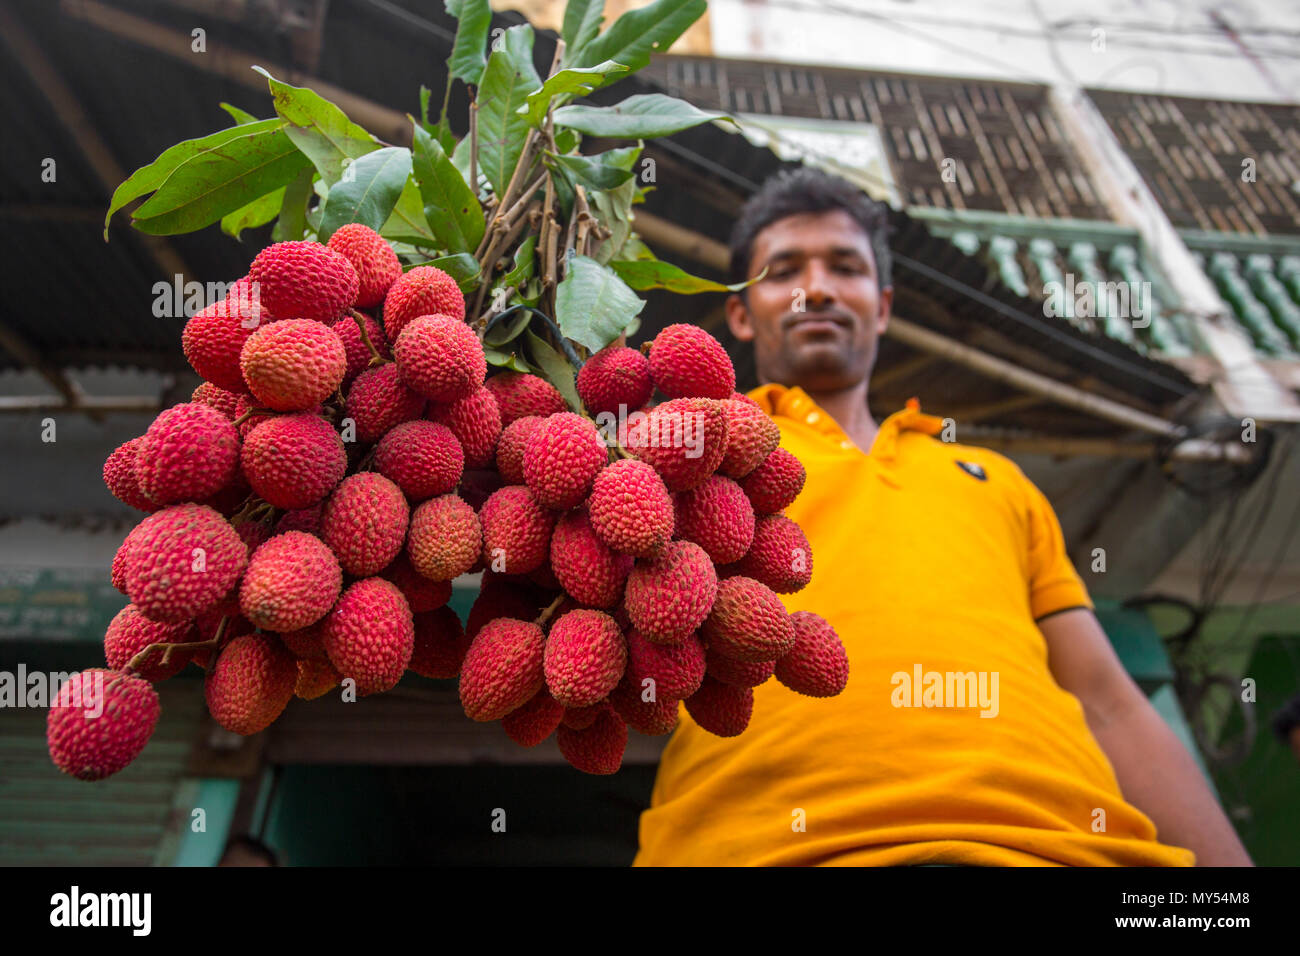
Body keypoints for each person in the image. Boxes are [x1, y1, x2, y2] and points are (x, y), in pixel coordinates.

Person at [632, 166, 1252, 867]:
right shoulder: (685, 453)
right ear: (741, 311)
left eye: (846, 267)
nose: (818, 287)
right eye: (783, 271)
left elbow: (1107, 701)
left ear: (885, 305)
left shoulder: (997, 480)